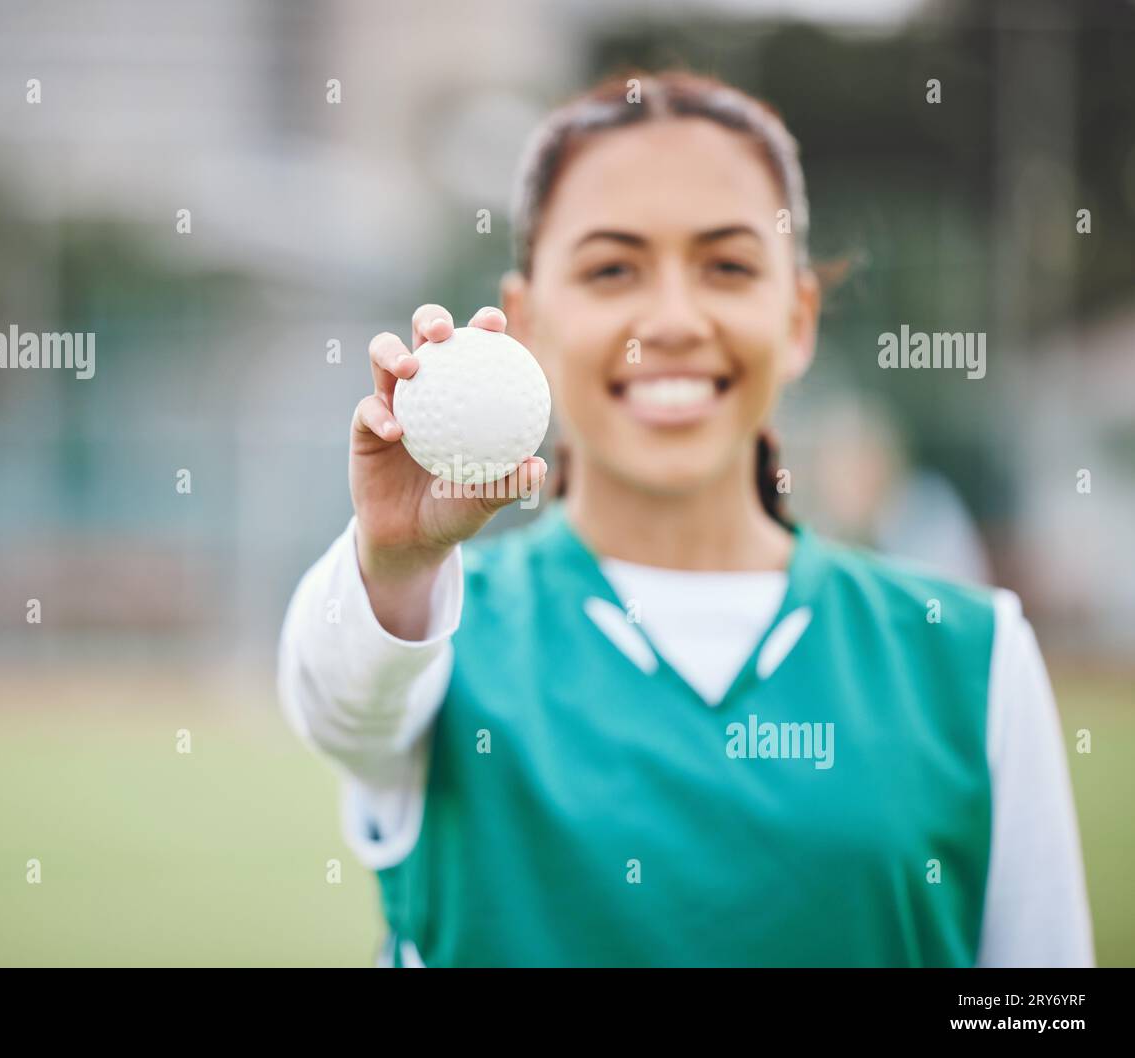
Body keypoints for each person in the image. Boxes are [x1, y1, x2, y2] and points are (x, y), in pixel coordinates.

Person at [277, 70, 1093, 967]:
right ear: (526, 321)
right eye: (612, 267)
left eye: (729, 266)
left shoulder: (970, 654)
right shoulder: (428, 630)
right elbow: (337, 699)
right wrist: (394, 563)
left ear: (797, 318)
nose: (671, 319)